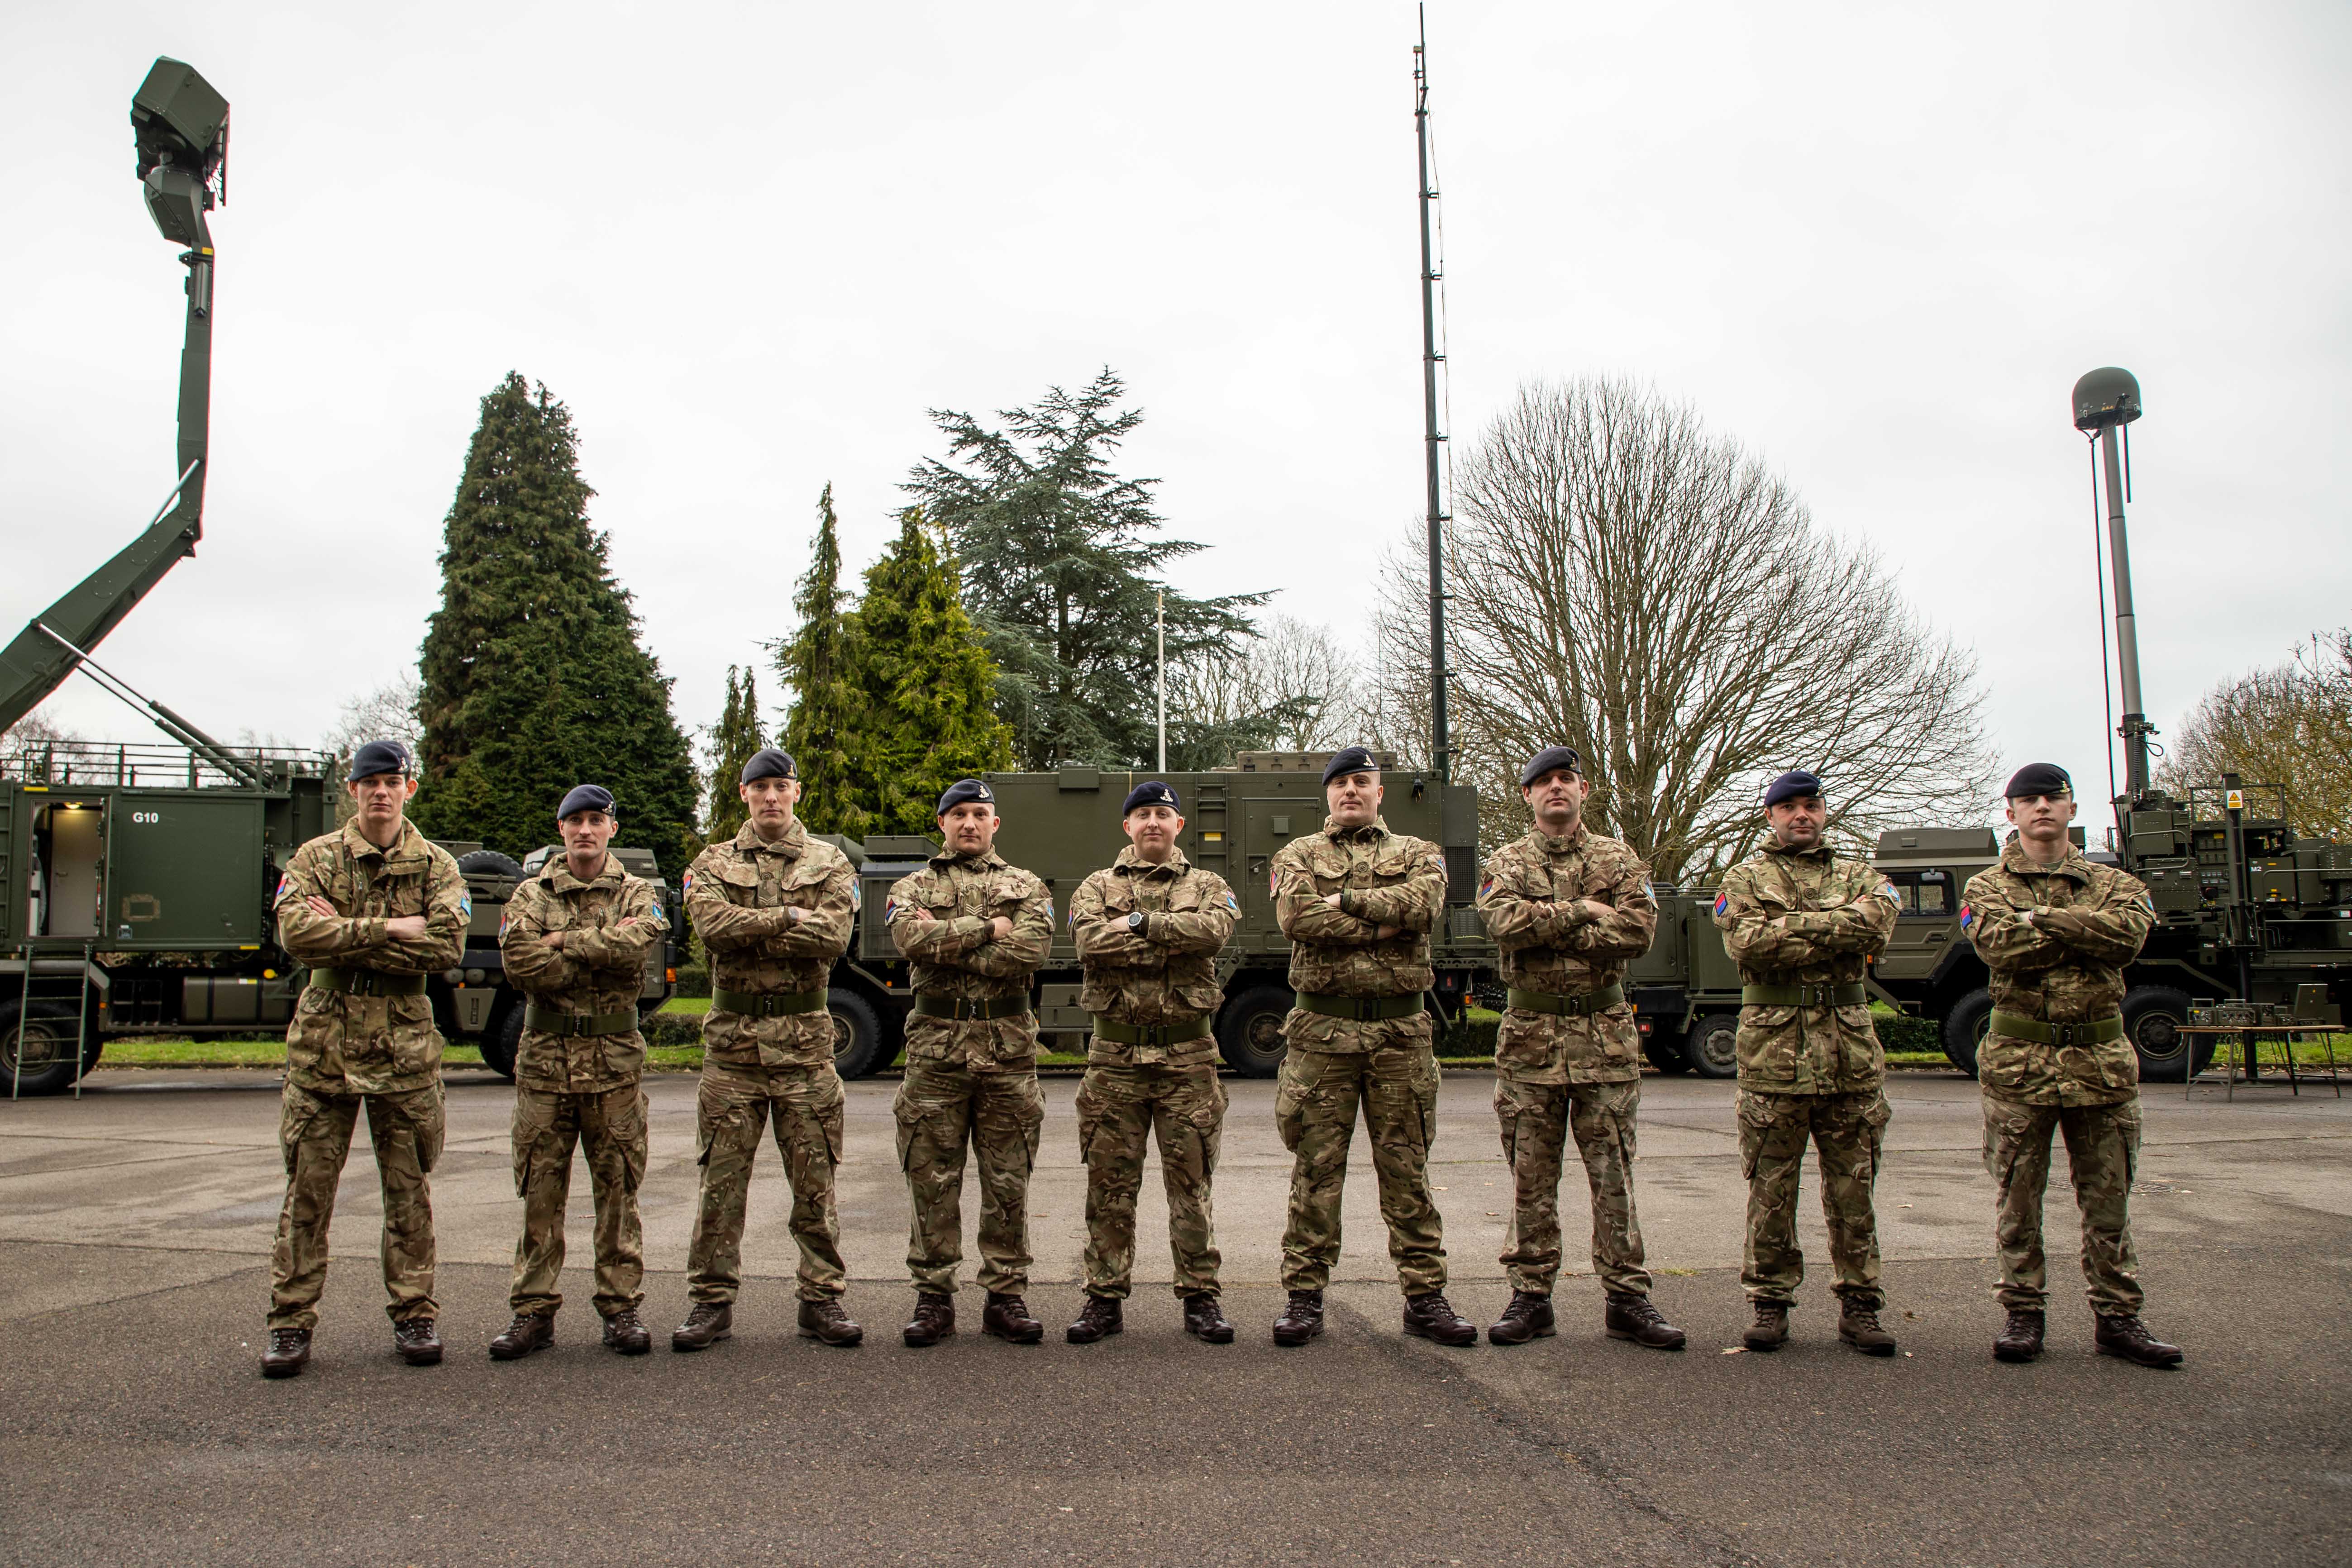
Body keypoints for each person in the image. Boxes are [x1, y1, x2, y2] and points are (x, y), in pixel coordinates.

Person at [259, 740, 467, 1378]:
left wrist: (346, 930)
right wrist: (391, 928)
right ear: (352, 790)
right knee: (308, 1194)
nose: (381, 791)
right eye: (369, 781)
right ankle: (290, 1323)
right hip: (325, 1052)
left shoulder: (436, 865)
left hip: (403, 1052)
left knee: (409, 1193)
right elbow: (296, 935)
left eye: (392, 781)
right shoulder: (315, 858)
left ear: (410, 788)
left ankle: (414, 1313)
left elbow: (446, 947)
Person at [1962, 763, 2180, 1368]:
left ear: (2071, 808)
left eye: (2051, 798)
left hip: (2099, 1062)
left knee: (2108, 1200)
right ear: (2010, 813)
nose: (2040, 809)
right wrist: (2085, 932)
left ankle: (2118, 1317)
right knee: (2017, 1197)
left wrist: (2042, 921)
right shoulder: (1985, 886)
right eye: (2027, 800)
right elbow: (1997, 947)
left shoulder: (2115, 882)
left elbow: (2128, 940)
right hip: (2020, 1065)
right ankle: (2022, 1314)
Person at [1475, 747, 1684, 1351]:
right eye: (1543, 782)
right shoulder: (1507, 860)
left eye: (1565, 779)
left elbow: (1638, 930)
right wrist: (1583, 910)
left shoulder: (1618, 858)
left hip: (1603, 1038)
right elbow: (1501, 922)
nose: (1555, 789)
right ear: (1528, 796)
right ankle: (1530, 1297)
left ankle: (1627, 1297)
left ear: (1584, 789)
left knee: (1611, 1174)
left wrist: (1548, 921)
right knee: (1530, 1178)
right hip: (1530, 1041)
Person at [1268, 746, 1474, 1348]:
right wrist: (1388, 925)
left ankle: (1425, 1297)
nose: (1351, 791)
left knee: (1407, 1169)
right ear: (1327, 795)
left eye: (1362, 781)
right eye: (1341, 783)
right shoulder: (1297, 855)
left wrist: (1349, 902)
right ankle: (1303, 1299)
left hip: (1397, 1037)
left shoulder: (1418, 853)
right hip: (1322, 1037)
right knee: (1316, 1171)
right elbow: (1298, 920)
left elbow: (1426, 904)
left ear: (1379, 792)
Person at [672, 748, 864, 1352]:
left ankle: (822, 1300)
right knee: (721, 1188)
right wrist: (787, 914)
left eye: (781, 786)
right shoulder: (711, 862)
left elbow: (831, 938)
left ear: (797, 792)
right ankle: (710, 1304)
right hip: (732, 1054)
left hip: (805, 1053)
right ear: (743, 794)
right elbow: (710, 929)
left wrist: (751, 923)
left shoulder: (831, 862)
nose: (771, 797)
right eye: (761, 788)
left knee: (815, 1186)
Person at [1711, 770, 1901, 1357]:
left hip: (1849, 1056)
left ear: (1824, 811)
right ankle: (1769, 1303)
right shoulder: (1743, 877)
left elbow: (1879, 923)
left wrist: (1788, 931)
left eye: (1810, 805)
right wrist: (1835, 932)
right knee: (1770, 1187)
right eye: (1788, 806)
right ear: (1769, 816)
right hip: (1774, 1056)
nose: (1801, 814)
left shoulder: (1861, 875)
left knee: (1854, 1187)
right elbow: (1746, 943)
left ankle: (1860, 1305)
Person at [489, 785, 665, 1360]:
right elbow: (521, 963)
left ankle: (621, 1310)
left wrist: (562, 939)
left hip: (613, 1064)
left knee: (618, 1191)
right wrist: (597, 948)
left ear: (612, 828)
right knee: (541, 1191)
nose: (585, 830)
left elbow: (638, 946)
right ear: (560, 829)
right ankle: (533, 1312)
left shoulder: (638, 891)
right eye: (575, 822)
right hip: (545, 1064)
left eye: (596, 820)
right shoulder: (530, 892)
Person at [1064, 782, 1240, 1345]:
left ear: (1179, 825)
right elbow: (1089, 943)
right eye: (1142, 815)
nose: (1153, 824)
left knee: (1191, 1183)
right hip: (1115, 1060)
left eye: (1163, 814)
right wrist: (1172, 939)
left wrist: (1138, 925)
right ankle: (1104, 1298)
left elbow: (1212, 932)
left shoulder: (1208, 885)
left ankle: (1200, 1297)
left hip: (1188, 1058)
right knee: (1110, 1185)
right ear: (1127, 827)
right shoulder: (1096, 886)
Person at [885, 779, 1054, 1346]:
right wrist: (987, 929)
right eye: (958, 814)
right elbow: (909, 939)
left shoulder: (1027, 886)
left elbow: (1030, 951)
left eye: (980, 813)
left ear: (995, 823)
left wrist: (949, 941)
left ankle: (1005, 1296)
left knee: (1008, 1179)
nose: (969, 823)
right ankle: (933, 1298)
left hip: (1007, 1053)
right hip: (936, 1052)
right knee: (932, 1179)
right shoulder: (914, 884)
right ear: (942, 823)